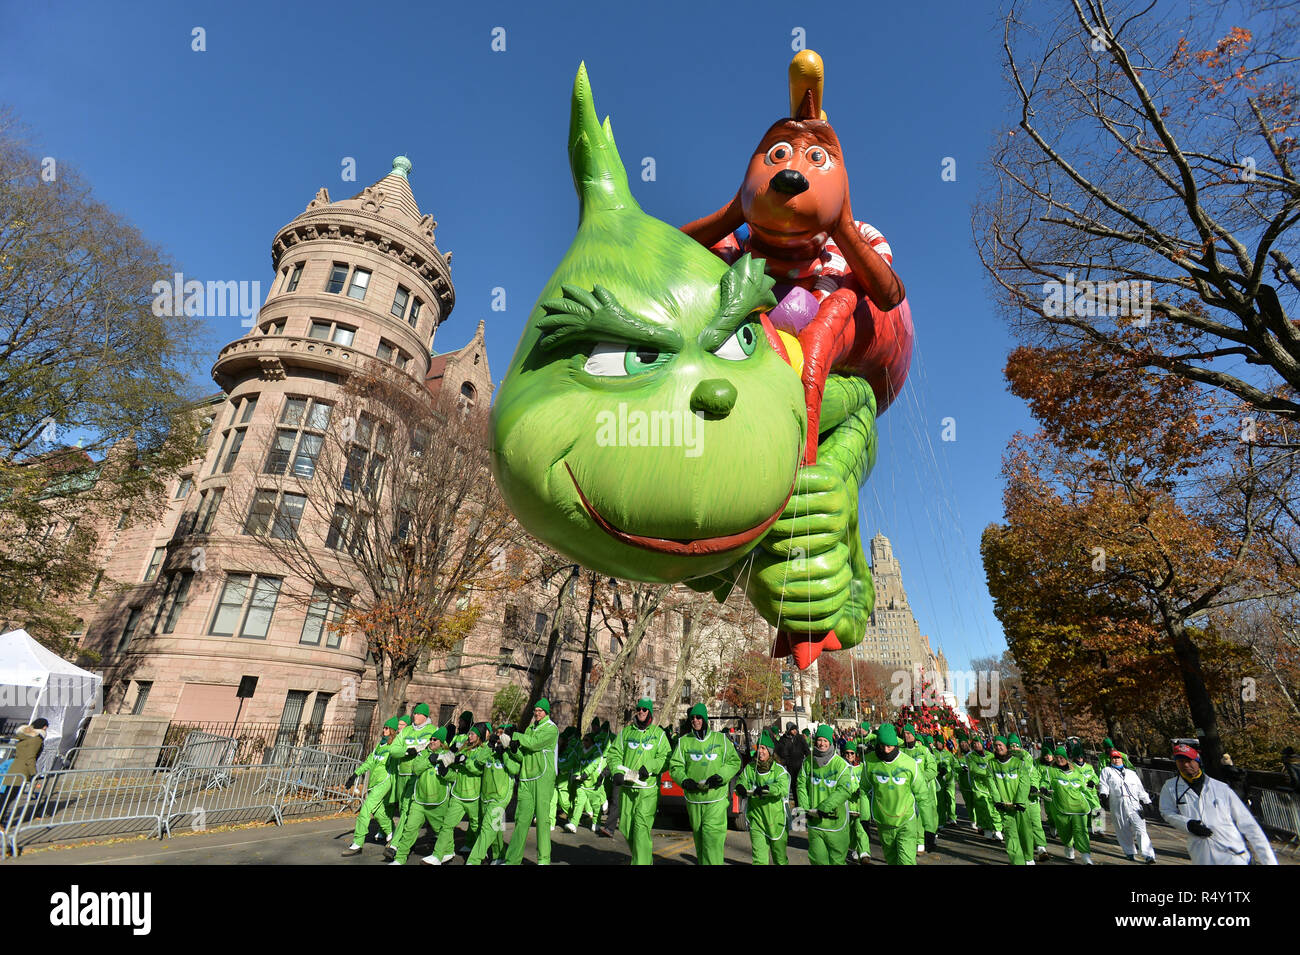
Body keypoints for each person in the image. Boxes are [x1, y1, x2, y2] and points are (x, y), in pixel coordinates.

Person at [1159, 742, 1277, 865]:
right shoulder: (1171, 787)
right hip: (1202, 855)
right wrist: (1187, 824)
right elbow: (1166, 812)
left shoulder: (1220, 788)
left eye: (1189, 760)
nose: (1185, 765)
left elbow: (1249, 825)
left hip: (1232, 853)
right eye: (1180, 761)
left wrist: (1269, 861)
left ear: (1198, 761)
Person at [668, 702, 741, 865]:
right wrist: (684, 780)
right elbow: (675, 766)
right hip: (694, 800)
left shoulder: (720, 739)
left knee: (711, 839)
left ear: (705, 719)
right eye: (693, 718)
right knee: (700, 841)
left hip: (715, 800)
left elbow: (734, 761)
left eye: (699, 717)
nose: (695, 720)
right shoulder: (683, 742)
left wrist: (720, 777)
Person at [603, 698, 672, 864]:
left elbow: (666, 757)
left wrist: (649, 767)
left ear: (650, 712)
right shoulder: (626, 733)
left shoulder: (659, 735)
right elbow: (614, 754)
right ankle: (644, 860)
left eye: (644, 709)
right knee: (627, 829)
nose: (641, 711)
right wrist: (617, 771)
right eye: (639, 709)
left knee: (641, 829)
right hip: (627, 788)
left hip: (647, 790)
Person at [503, 698, 559, 865]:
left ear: (546, 712)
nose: (537, 713)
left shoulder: (551, 729)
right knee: (521, 820)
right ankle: (512, 860)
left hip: (543, 778)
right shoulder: (529, 729)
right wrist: (512, 749)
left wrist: (516, 735)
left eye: (540, 711)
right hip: (527, 777)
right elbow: (523, 754)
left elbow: (534, 744)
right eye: (535, 710)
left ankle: (544, 860)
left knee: (543, 820)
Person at [860, 724, 925, 865]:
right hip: (883, 822)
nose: (885, 750)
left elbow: (923, 795)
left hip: (906, 820)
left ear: (895, 744)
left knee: (906, 861)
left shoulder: (909, 763)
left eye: (889, 746)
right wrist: (865, 818)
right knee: (892, 860)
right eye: (882, 746)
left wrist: (930, 828)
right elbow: (863, 790)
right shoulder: (869, 761)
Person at [387, 727, 453, 865]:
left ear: (441, 742)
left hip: (438, 801)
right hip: (419, 800)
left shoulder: (448, 754)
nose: (432, 741)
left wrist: (445, 772)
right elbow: (416, 768)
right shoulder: (423, 753)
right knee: (409, 829)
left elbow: (454, 776)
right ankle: (399, 859)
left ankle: (448, 851)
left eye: (435, 739)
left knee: (441, 829)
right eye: (431, 739)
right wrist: (430, 760)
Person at [342, 716, 401, 856]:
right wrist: (355, 775)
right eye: (384, 728)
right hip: (374, 783)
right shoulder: (379, 745)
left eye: (387, 728)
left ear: (392, 730)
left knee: (365, 810)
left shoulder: (394, 746)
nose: (384, 730)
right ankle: (392, 832)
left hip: (384, 781)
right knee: (379, 812)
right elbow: (369, 762)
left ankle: (357, 843)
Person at [430, 722, 487, 863]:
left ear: (479, 736)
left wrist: (465, 762)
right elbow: (452, 761)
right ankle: (438, 855)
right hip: (457, 794)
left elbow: (479, 769)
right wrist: (444, 760)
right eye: (469, 733)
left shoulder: (482, 750)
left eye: (473, 734)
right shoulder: (463, 748)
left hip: (473, 796)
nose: (469, 735)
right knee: (447, 825)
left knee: (476, 826)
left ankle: (481, 851)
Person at [797, 724, 854, 866]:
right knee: (817, 860)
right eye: (819, 740)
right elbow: (801, 785)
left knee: (837, 861)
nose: (821, 744)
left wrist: (825, 807)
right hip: (815, 822)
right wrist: (805, 809)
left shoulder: (840, 764)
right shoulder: (808, 762)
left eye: (825, 741)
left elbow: (845, 790)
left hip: (836, 823)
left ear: (830, 742)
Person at [734, 731, 791, 865]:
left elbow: (782, 788)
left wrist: (767, 789)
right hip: (757, 819)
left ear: (770, 751)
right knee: (759, 860)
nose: (760, 751)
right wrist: (740, 787)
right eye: (758, 747)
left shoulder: (779, 770)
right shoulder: (750, 768)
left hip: (776, 821)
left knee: (780, 859)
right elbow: (742, 781)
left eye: (763, 748)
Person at [467, 723, 517, 865]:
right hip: (486, 795)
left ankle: (474, 860)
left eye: (503, 733)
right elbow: (480, 760)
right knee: (495, 828)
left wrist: (506, 754)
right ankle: (498, 856)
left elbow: (514, 769)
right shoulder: (490, 749)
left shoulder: (512, 751)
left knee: (487, 828)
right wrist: (489, 746)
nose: (500, 736)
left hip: (500, 796)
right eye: (498, 733)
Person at [1098, 749, 1155, 863]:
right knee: (1122, 829)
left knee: (1140, 829)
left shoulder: (1131, 774)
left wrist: (1147, 801)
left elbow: (1140, 789)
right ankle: (1129, 851)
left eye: (1118, 758)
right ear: (1111, 760)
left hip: (1134, 805)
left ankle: (1148, 855)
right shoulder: (1107, 771)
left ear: (1122, 760)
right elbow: (1103, 784)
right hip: (1118, 804)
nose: (1116, 760)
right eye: (1113, 758)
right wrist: (1104, 795)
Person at [987, 735, 1034, 865]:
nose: (998, 747)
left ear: (1006, 747)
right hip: (1005, 807)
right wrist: (997, 801)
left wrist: (1019, 801)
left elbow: (1025, 782)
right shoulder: (991, 764)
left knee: (1025, 833)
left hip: (1020, 806)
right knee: (1010, 837)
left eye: (1000, 745)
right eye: (995, 745)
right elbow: (991, 784)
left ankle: (1029, 858)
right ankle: (1017, 862)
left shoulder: (1018, 763)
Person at [1047, 745, 1094, 864]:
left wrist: (1094, 802)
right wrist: (1042, 787)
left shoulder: (1076, 771)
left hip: (1078, 807)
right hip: (1061, 808)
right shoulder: (1050, 771)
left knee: (1081, 831)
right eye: (1056, 757)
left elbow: (1084, 787)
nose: (1059, 759)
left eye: (1061, 757)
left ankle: (1086, 856)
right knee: (1064, 831)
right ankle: (1068, 845)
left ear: (1066, 757)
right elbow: (1044, 781)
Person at [563, 732, 607, 832]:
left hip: (593, 784)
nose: (584, 742)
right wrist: (576, 773)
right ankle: (573, 824)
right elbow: (578, 764)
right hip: (582, 783)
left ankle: (596, 822)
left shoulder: (597, 752)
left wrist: (586, 773)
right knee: (579, 803)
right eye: (583, 740)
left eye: (586, 740)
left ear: (592, 742)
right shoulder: (580, 751)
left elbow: (594, 764)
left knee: (595, 805)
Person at [964, 736, 1000, 840]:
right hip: (978, 787)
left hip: (992, 787)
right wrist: (989, 773)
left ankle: (997, 829)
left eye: (978, 743)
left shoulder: (991, 755)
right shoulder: (970, 756)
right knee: (983, 809)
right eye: (974, 744)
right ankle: (987, 829)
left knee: (994, 808)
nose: (976, 745)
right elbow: (974, 769)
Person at [844, 740, 871, 862]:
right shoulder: (842, 768)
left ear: (856, 754)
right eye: (847, 753)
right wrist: (852, 791)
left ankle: (864, 852)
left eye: (852, 753)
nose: (849, 756)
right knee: (851, 831)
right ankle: (854, 848)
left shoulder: (862, 768)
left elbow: (868, 784)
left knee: (861, 829)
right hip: (848, 805)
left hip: (860, 805)